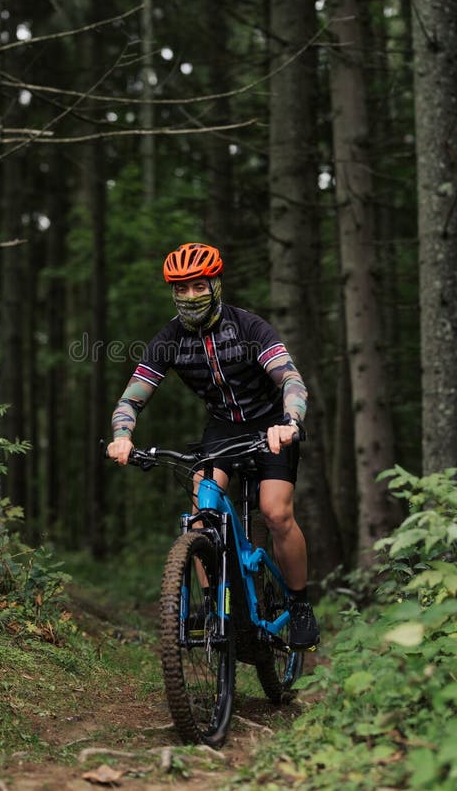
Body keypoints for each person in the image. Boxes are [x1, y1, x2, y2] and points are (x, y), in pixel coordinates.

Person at [107, 242, 319, 649]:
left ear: (215, 284)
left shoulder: (248, 327)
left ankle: (300, 603)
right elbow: (131, 398)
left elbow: (291, 380)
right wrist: (122, 435)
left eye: (198, 286)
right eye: (181, 289)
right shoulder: (169, 338)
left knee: (276, 512)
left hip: (272, 425)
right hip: (223, 428)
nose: (190, 296)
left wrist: (290, 421)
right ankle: (210, 605)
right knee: (201, 512)